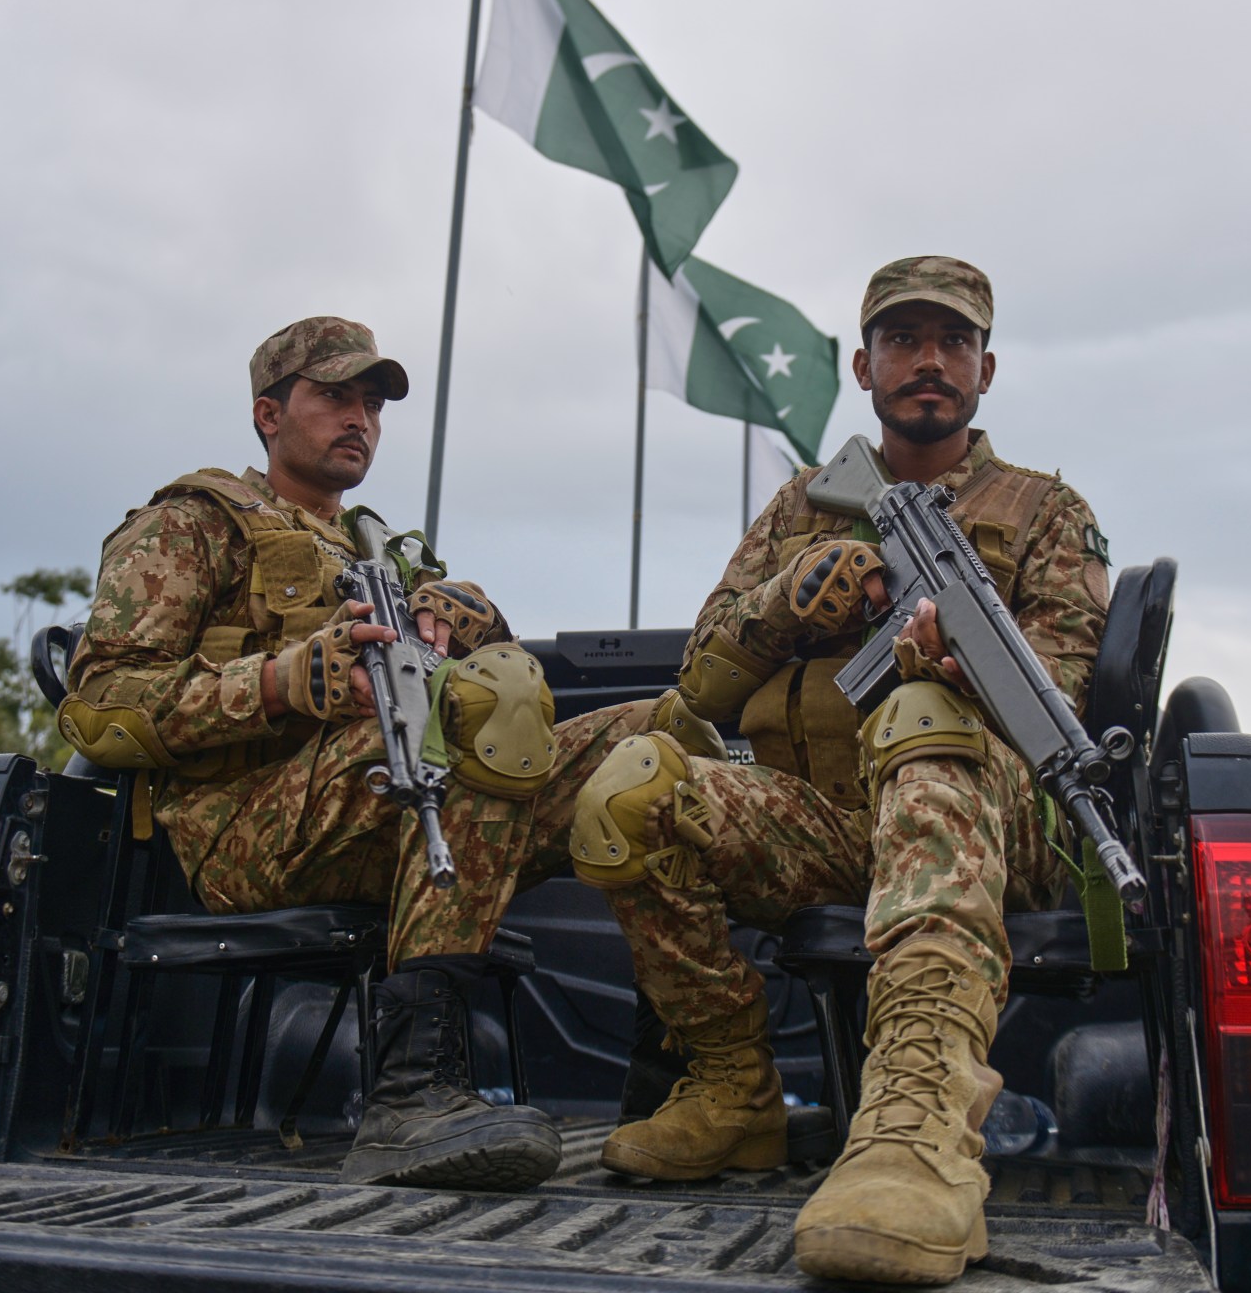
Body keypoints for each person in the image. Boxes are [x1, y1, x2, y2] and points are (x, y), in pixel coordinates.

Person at [60, 316, 703, 1192]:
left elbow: (494, 669)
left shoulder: (376, 548)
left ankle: (678, 1084)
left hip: (382, 797)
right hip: (243, 826)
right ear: (267, 414)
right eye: (333, 397)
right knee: (469, 741)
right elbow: (99, 707)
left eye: (371, 402)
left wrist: (461, 607)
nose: (358, 418)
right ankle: (410, 1099)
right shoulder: (193, 524)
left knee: (651, 744)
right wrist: (282, 682)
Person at [571, 258, 1112, 1285]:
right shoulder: (803, 507)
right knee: (633, 792)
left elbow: (1067, 691)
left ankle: (918, 1138)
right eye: (905, 341)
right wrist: (788, 599)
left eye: (952, 343)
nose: (929, 362)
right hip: (827, 819)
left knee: (922, 718)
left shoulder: (1044, 509)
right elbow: (703, 672)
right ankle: (732, 1093)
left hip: (993, 818)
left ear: (986, 369)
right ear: (864, 367)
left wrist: (951, 661)